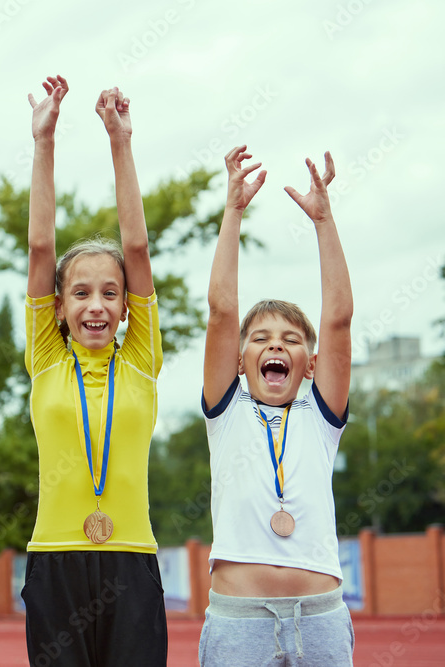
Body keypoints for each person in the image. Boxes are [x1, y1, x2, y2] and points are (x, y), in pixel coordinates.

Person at [21, 76, 168, 666]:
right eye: (80, 293)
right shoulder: (46, 357)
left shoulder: (141, 359)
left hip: (132, 557)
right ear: (59, 306)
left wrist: (120, 142)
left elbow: (137, 250)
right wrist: (44, 140)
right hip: (54, 559)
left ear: (126, 306)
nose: (97, 306)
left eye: (110, 294)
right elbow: (39, 248)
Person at [199, 146, 354, 665]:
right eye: (260, 338)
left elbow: (337, 320)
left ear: (309, 363)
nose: (274, 347)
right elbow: (222, 309)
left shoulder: (321, 415)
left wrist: (324, 220)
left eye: (290, 340)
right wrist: (233, 210)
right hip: (239, 620)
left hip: (321, 618)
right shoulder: (227, 413)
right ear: (240, 361)